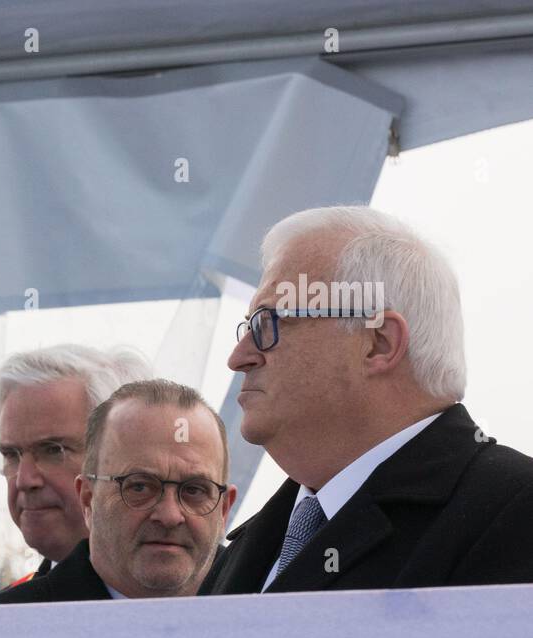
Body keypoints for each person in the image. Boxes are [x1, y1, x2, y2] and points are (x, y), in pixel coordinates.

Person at [202, 205, 533, 595]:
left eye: (269, 323)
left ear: (379, 343)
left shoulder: (513, 513)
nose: (239, 357)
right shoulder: (256, 541)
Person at [0, 379, 235, 603]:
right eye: (140, 487)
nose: (170, 516)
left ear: (224, 509)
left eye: (194, 491)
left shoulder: (267, 608)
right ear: (88, 499)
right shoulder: (1, 630)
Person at [0, 345, 152, 587]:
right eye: (11, 454)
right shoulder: (2, 613)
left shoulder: (218, 588)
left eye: (54, 450)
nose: (24, 480)